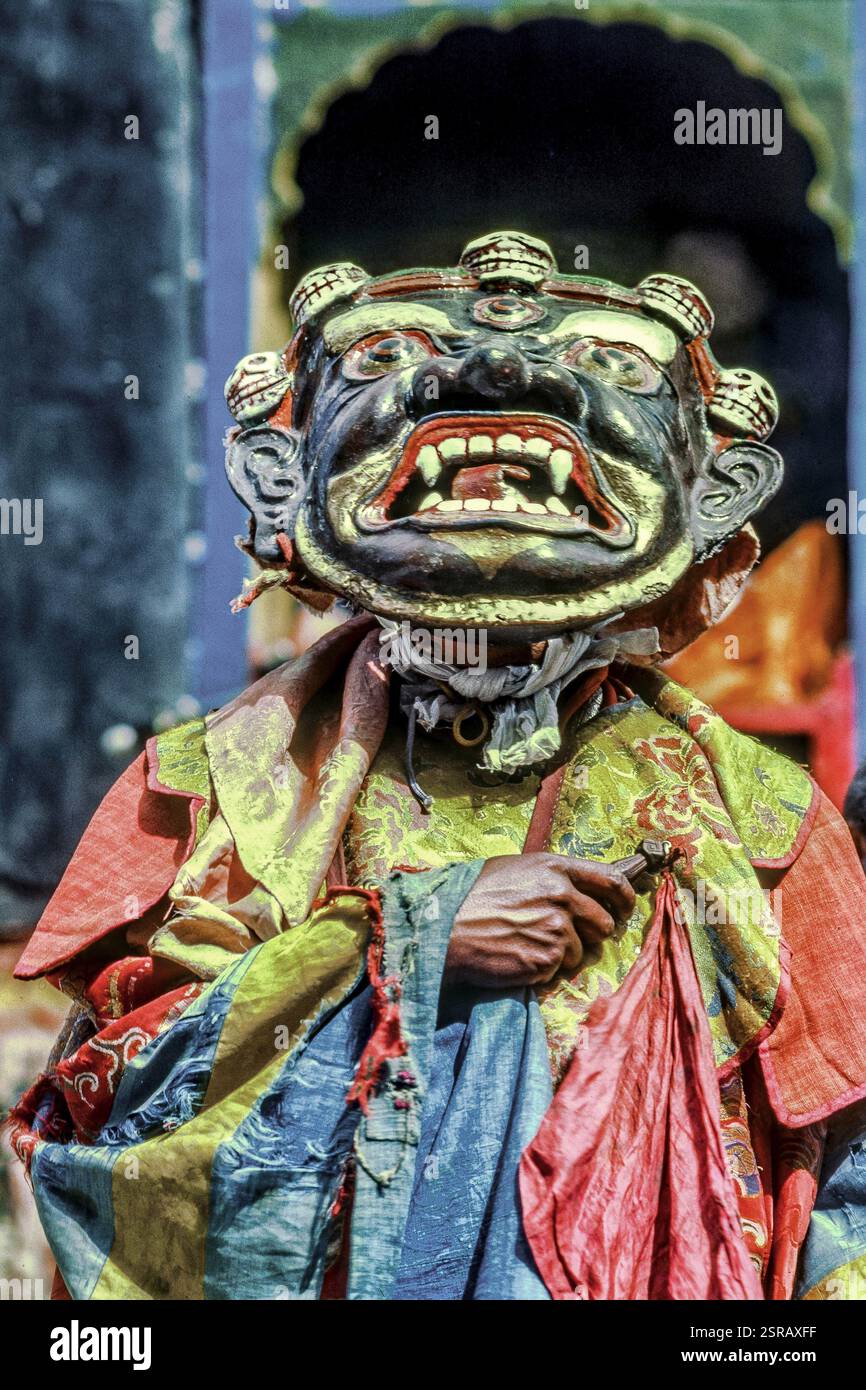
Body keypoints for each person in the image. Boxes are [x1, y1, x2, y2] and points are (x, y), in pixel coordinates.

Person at [11, 233, 866, 1301]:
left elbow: (834, 1203)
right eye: (382, 365)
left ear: (713, 490)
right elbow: (109, 1134)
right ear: (280, 473)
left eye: (614, 370)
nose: (501, 376)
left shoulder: (765, 823)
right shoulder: (206, 791)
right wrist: (410, 943)